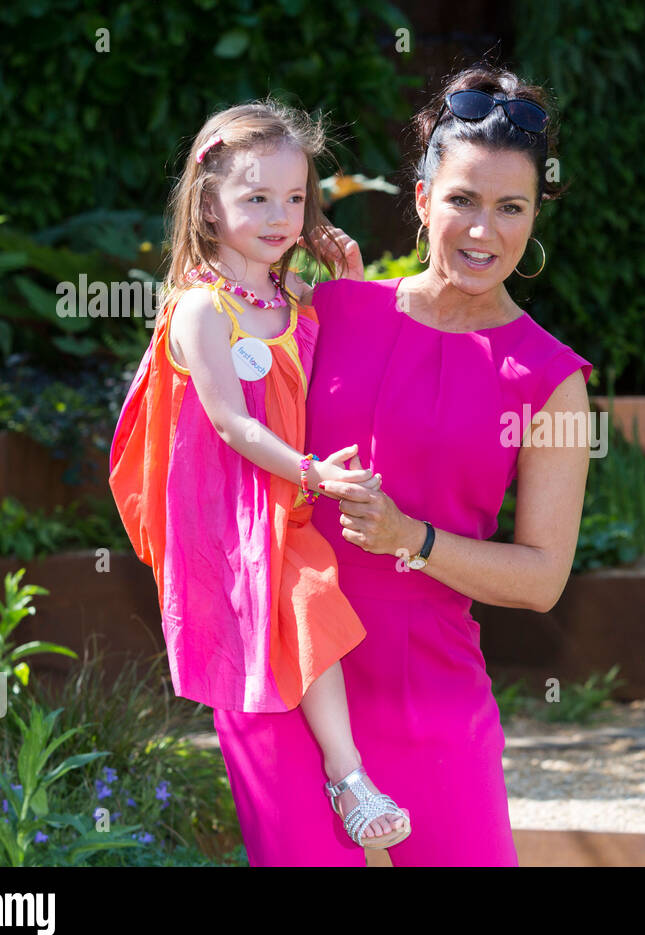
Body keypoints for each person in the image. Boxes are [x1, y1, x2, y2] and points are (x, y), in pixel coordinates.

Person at [211, 62, 595, 865]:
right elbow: (215, 384)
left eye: (510, 208)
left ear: (535, 220)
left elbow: (540, 578)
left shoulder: (552, 379)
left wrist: (410, 538)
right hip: (294, 674)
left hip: (434, 690)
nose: (482, 231)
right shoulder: (329, 309)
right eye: (461, 200)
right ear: (422, 200)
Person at [108, 99, 412, 851]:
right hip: (244, 507)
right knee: (302, 596)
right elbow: (230, 424)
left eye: (296, 197)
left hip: (296, 494)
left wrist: (350, 285)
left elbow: (346, 381)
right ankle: (350, 781)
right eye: (256, 198)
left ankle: (350, 776)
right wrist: (309, 474)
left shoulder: (292, 299)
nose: (281, 216)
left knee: (309, 601)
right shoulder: (203, 310)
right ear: (209, 209)